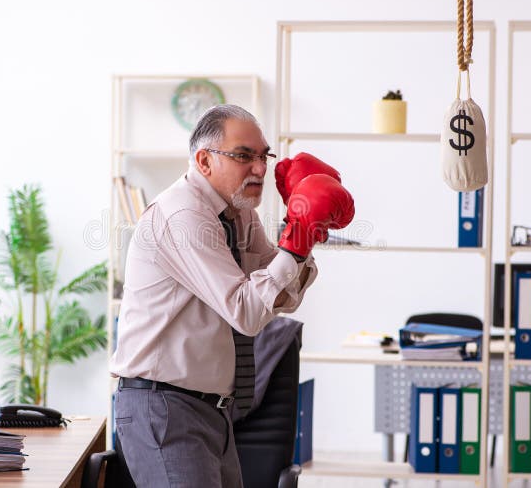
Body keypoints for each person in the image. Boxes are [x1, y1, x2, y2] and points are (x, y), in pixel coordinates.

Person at [109, 104, 354, 487]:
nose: (260, 168)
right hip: (164, 406)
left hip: (212, 410)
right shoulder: (184, 216)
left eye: (263, 156)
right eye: (243, 156)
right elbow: (246, 311)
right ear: (204, 161)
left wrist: (301, 237)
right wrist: (294, 246)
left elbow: (281, 298)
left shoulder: (239, 214)